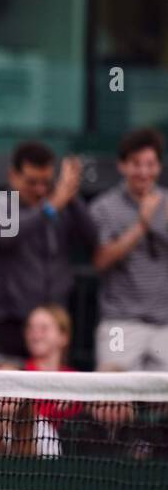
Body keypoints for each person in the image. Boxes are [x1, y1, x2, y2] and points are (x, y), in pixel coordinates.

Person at [0, 142, 98, 363]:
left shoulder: (61, 203)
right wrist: (51, 207)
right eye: (32, 182)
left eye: (46, 182)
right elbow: (2, 234)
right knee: (6, 395)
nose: (40, 190)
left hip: (52, 324)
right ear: (13, 175)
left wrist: (71, 194)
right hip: (9, 323)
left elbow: (92, 238)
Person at [90, 127, 168, 371]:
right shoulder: (103, 207)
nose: (143, 172)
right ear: (122, 166)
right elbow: (100, 261)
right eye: (136, 164)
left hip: (165, 324)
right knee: (111, 405)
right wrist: (142, 224)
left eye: (150, 164)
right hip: (120, 323)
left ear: (159, 167)